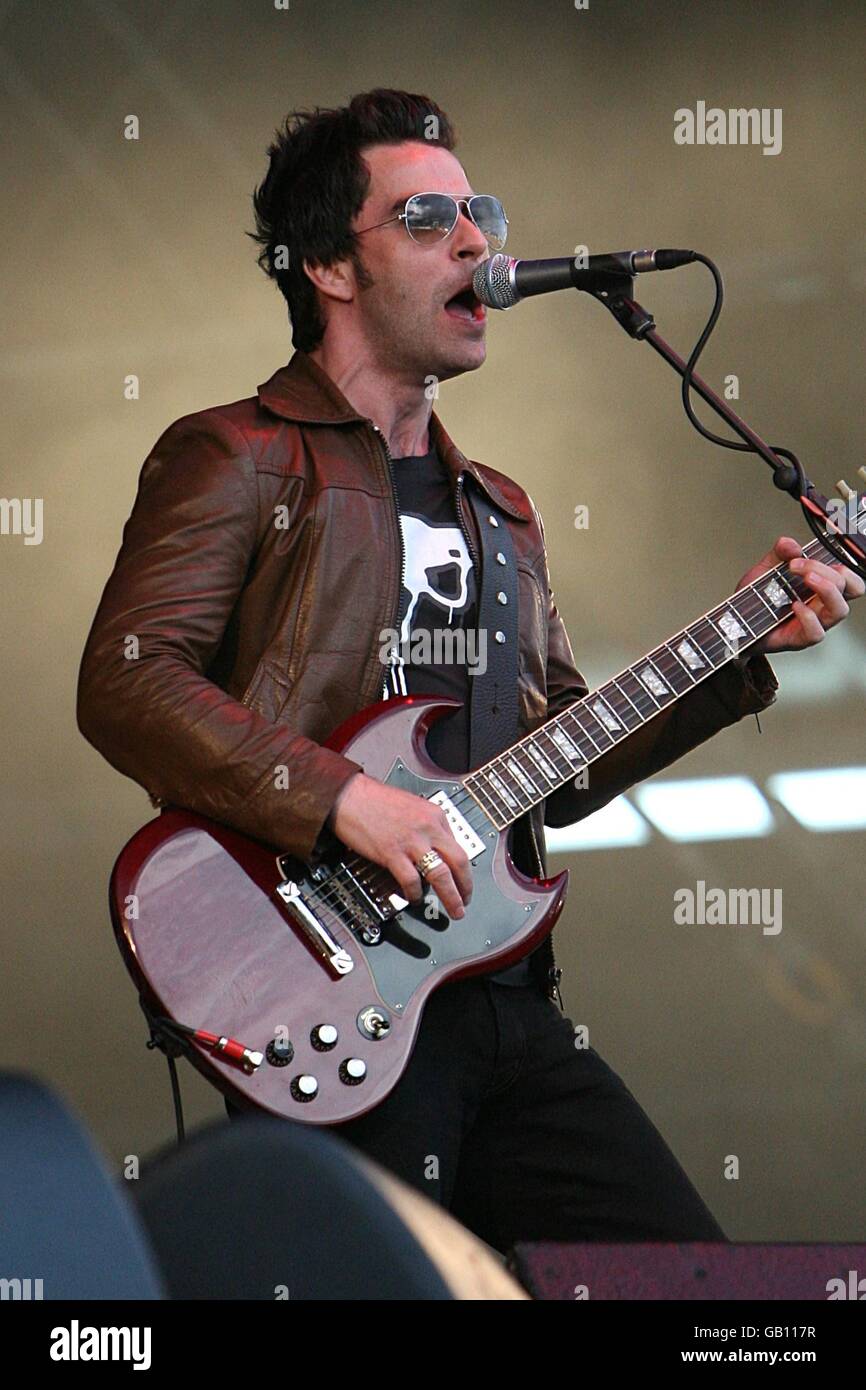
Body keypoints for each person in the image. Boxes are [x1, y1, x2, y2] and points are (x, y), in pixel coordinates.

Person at [77, 89, 862, 1252]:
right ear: (333, 270)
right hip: (328, 981)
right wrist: (347, 798)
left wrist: (744, 651)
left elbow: (558, 766)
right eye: (428, 216)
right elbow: (127, 683)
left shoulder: (500, 509)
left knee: (701, 1294)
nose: (478, 242)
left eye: (478, 211)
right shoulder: (236, 454)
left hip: (506, 995)